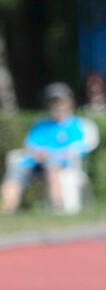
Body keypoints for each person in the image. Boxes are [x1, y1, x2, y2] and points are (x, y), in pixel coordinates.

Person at [1, 83, 98, 214]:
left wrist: (58, 155)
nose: (56, 106)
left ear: (69, 103)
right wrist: (38, 154)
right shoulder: (40, 125)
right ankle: (7, 210)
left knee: (52, 165)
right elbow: (29, 146)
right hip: (34, 163)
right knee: (16, 168)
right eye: (52, 102)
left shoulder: (79, 125)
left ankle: (56, 206)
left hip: (62, 164)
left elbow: (82, 147)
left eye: (60, 102)